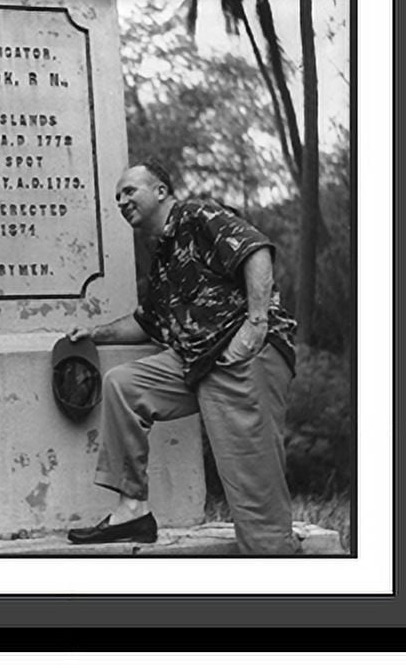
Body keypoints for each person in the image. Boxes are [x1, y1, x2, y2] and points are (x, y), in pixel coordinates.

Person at [66, 159, 299, 555]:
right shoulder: (162, 256)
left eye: (130, 191)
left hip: (239, 354)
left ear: (160, 191)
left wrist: (255, 325)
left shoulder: (196, 215)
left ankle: (275, 564)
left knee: (251, 472)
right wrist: (96, 333)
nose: (122, 201)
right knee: (124, 385)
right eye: (117, 196)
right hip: (195, 362)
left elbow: (255, 248)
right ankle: (132, 511)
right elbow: (147, 321)